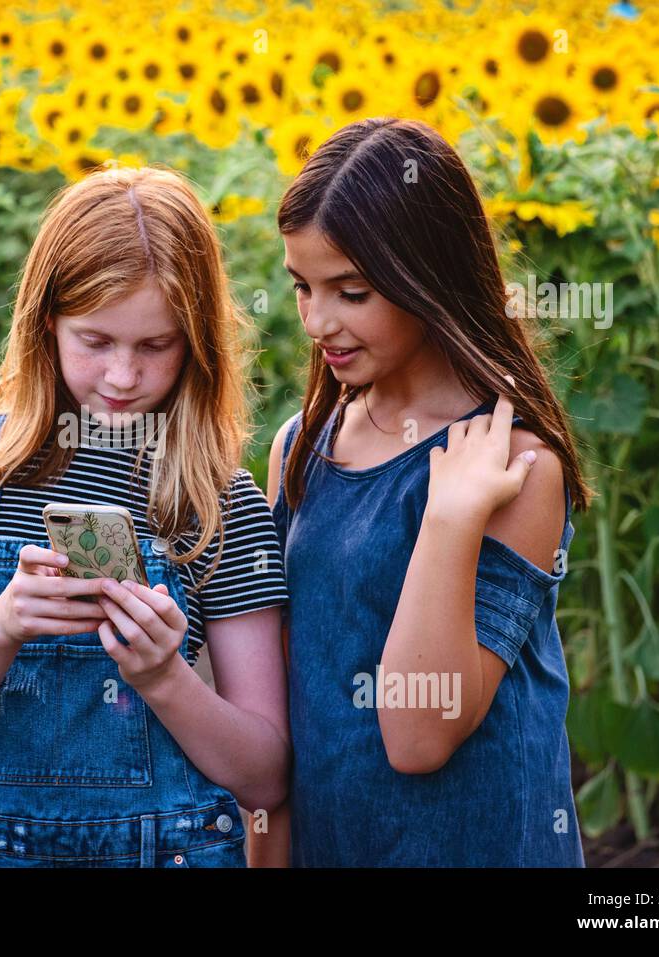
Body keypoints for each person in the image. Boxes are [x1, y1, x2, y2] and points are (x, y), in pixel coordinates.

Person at [0, 164, 291, 867]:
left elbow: (265, 774)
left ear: (196, 343)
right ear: (47, 323)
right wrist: (2, 626)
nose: (123, 376)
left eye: (155, 345)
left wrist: (166, 677)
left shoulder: (220, 502)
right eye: (95, 341)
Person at [253, 117, 593, 867]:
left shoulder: (515, 469)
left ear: (426, 278)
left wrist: (448, 520)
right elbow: (281, 693)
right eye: (302, 287)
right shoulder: (301, 446)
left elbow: (417, 733)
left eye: (352, 291)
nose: (317, 321)